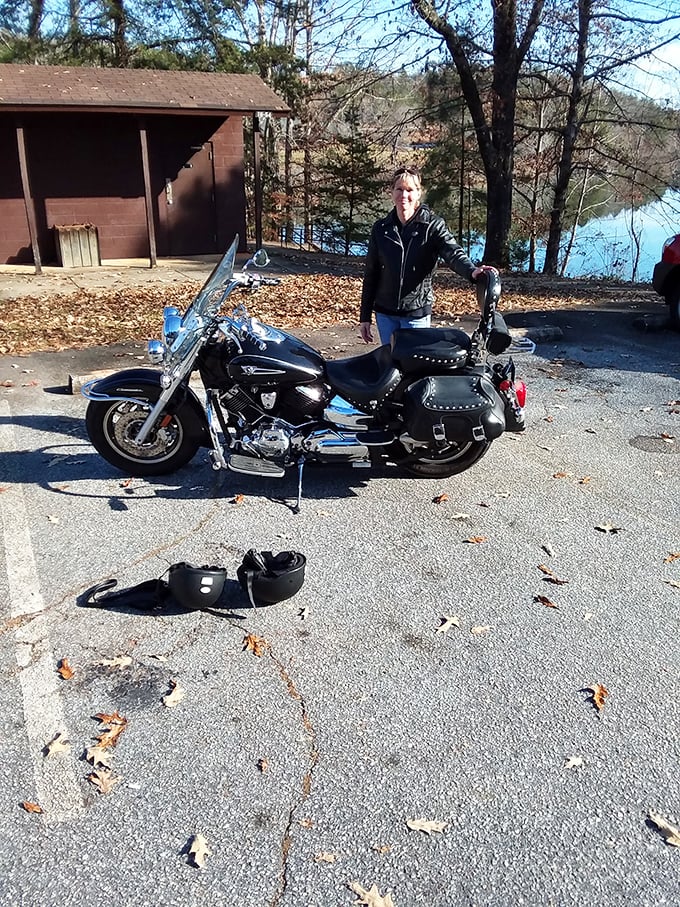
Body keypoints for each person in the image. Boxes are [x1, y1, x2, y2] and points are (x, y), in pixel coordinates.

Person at [359, 166, 495, 344]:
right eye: (399, 189)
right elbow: (371, 273)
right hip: (385, 315)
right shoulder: (381, 228)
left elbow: (453, 253)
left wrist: (472, 271)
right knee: (389, 360)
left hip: (416, 313)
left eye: (409, 190)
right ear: (391, 192)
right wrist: (365, 317)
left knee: (415, 360)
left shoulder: (433, 226)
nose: (404, 195)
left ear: (418, 193)